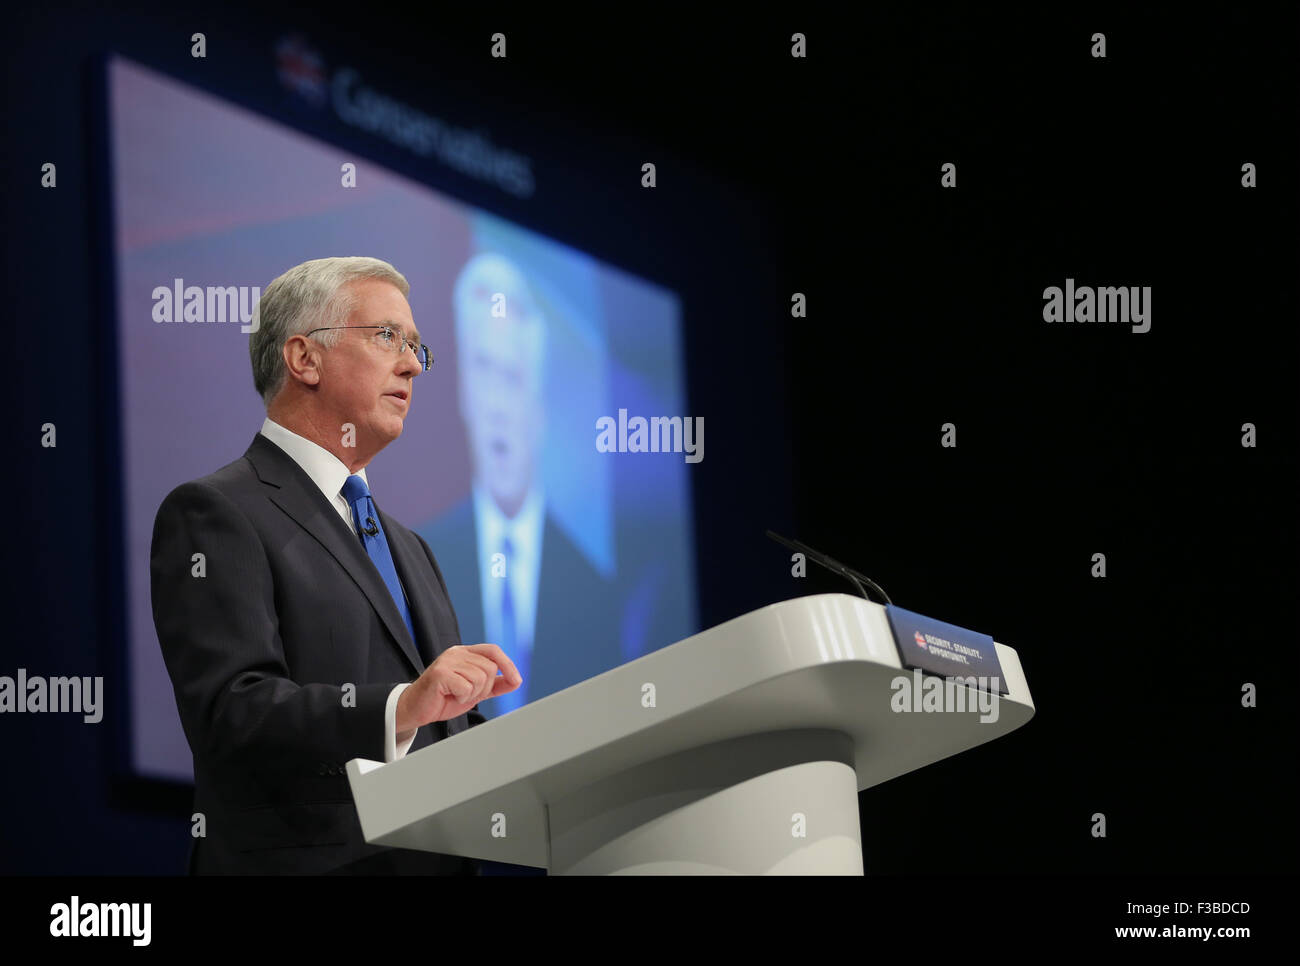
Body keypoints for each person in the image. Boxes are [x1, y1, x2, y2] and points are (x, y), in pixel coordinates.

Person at [149, 256, 520, 875]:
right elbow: (234, 714)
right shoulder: (216, 512)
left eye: (418, 348)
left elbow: (440, 732)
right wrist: (399, 707)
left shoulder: (413, 549)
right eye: (387, 338)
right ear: (304, 359)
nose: (410, 364)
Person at [417, 253, 620, 719]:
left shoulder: (593, 591)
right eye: (484, 372)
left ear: (540, 403)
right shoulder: (420, 560)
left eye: (511, 377)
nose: (498, 407)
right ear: (464, 392)